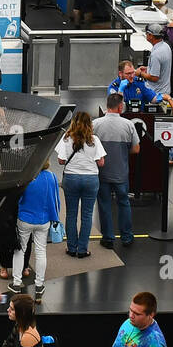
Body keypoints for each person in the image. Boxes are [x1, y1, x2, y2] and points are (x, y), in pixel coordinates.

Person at [55, 110, 105, 259]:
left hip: (71, 178)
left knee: (71, 214)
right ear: (90, 124)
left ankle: (71, 247)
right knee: (87, 215)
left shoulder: (66, 139)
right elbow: (101, 162)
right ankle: (82, 249)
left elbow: (61, 161)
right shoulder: (94, 140)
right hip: (90, 179)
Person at [93, 92, 140, 250]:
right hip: (121, 174)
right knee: (123, 203)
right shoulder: (128, 125)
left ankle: (107, 238)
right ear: (120, 106)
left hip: (102, 174)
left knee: (104, 205)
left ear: (107, 105)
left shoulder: (95, 124)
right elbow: (136, 149)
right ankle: (126, 237)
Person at [11, 161, 59, 300]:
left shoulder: (26, 176)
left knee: (20, 250)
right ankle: (39, 286)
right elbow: (55, 199)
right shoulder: (51, 177)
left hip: (25, 219)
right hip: (43, 220)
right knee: (41, 251)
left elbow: (18, 198)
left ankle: (16, 283)